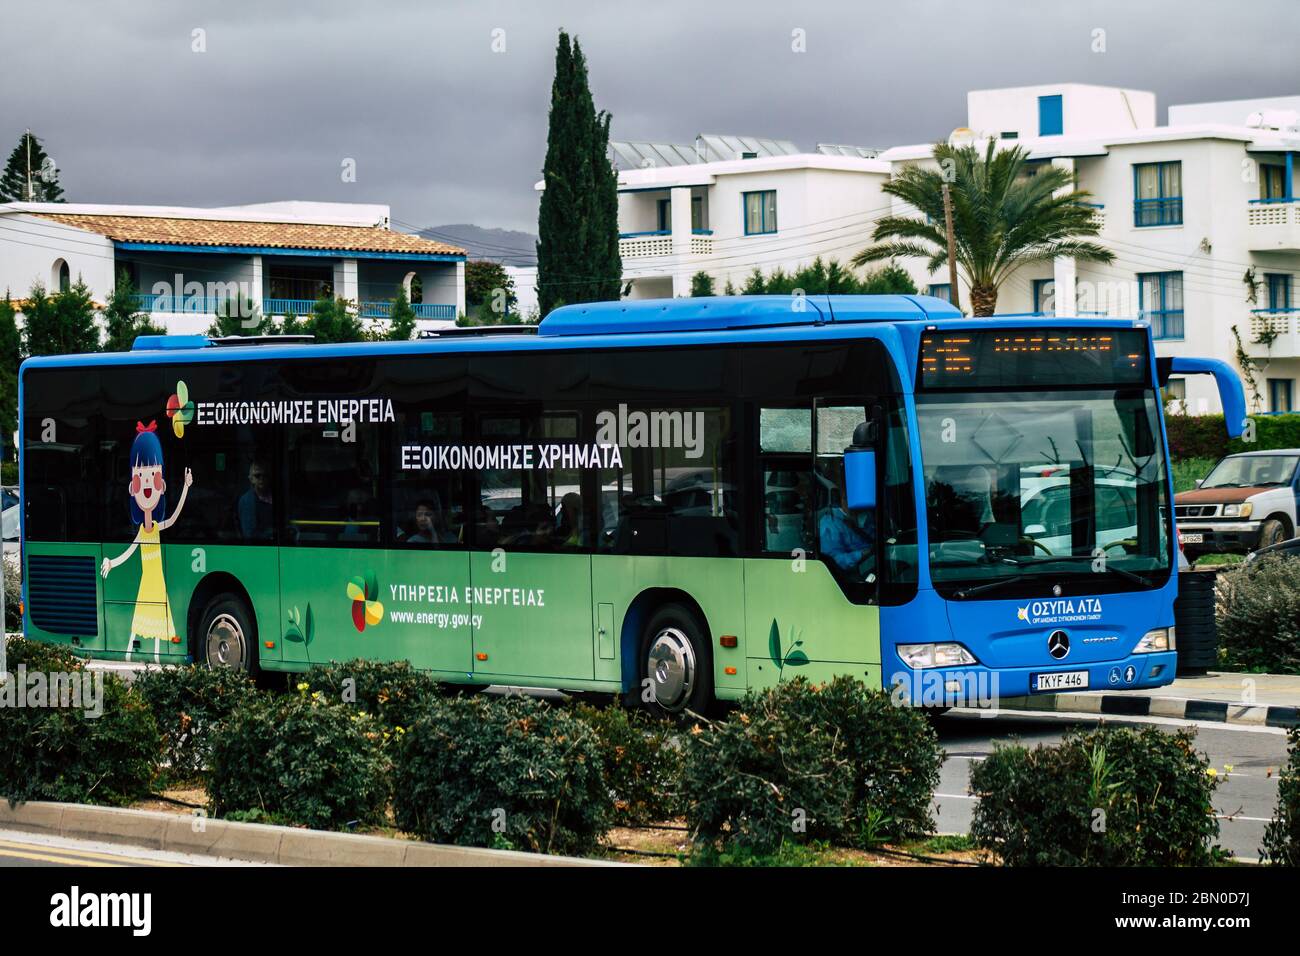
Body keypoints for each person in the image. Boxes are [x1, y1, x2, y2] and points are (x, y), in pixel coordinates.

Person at [101, 420, 194, 663]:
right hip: (147, 582)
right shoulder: (143, 530)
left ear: (161, 484)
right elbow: (130, 552)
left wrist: (185, 488)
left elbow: (173, 518)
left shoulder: (154, 529)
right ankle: (132, 654)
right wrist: (112, 562)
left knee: (156, 627)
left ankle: (153, 657)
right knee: (139, 623)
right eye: (141, 477)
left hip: (157, 581)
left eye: (153, 476)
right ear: (132, 487)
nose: (147, 486)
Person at [818, 485, 876, 579]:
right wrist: (861, 554)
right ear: (843, 499)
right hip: (851, 577)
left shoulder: (867, 514)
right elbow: (832, 560)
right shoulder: (830, 523)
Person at [237, 459, 273, 541]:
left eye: (265, 475)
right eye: (257, 475)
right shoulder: (247, 501)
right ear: (251, 478)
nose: (262, 478)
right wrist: (271, 534)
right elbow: (250, 534)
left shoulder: (274, 495)